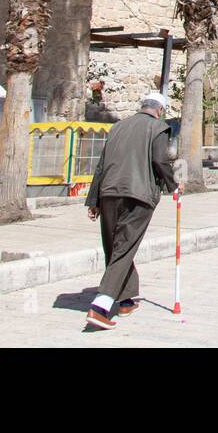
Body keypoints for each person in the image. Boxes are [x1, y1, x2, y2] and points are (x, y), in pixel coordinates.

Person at [83, 91, 179, 330]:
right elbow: (160, 161)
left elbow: (101, 165)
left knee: (116, 246)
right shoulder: (158, 128)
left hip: (109, 193)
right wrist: (174, 186)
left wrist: (93, 199)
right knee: (124, 247)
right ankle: (101, 305)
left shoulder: (117, 127)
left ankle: (126, 299)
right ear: (160, 110)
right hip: (139, 195)